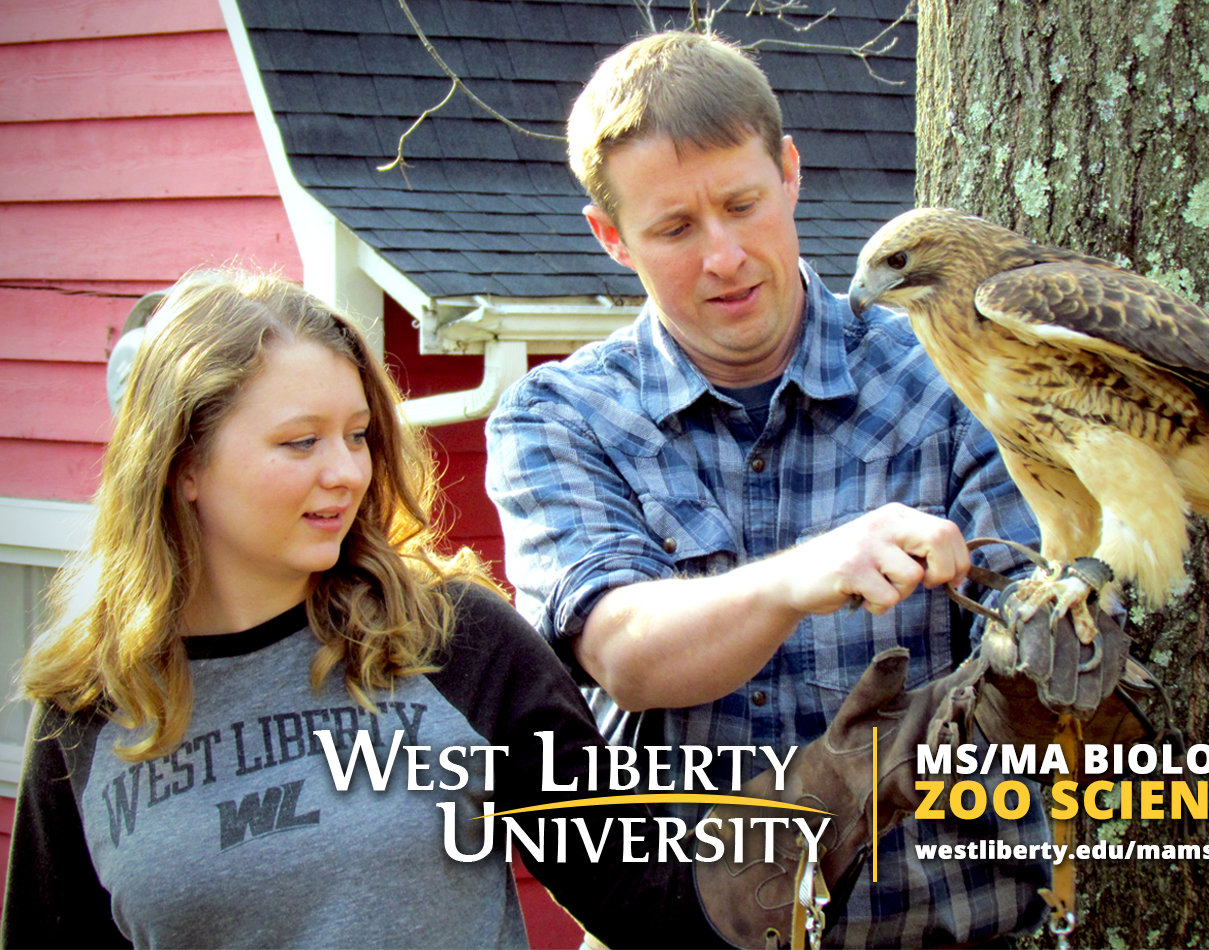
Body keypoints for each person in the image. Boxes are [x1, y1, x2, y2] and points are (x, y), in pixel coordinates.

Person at [485, 32, 1051, 947]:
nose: (724, 256)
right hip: (677, 934)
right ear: (610, 237)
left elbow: (1035, 637)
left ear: (789, 173)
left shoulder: (953, 383)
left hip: (943, 931)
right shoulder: (558, 419)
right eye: (673, 228)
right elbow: (627, 653)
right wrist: (805, 575)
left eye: (743, 205)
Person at [0, 270, 753, 949]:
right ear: (185, 463)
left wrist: (818, 835)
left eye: (358, 435)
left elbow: (642, 899)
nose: (346, 472)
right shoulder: (89, 708)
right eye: (300, 442)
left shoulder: (456, 644)